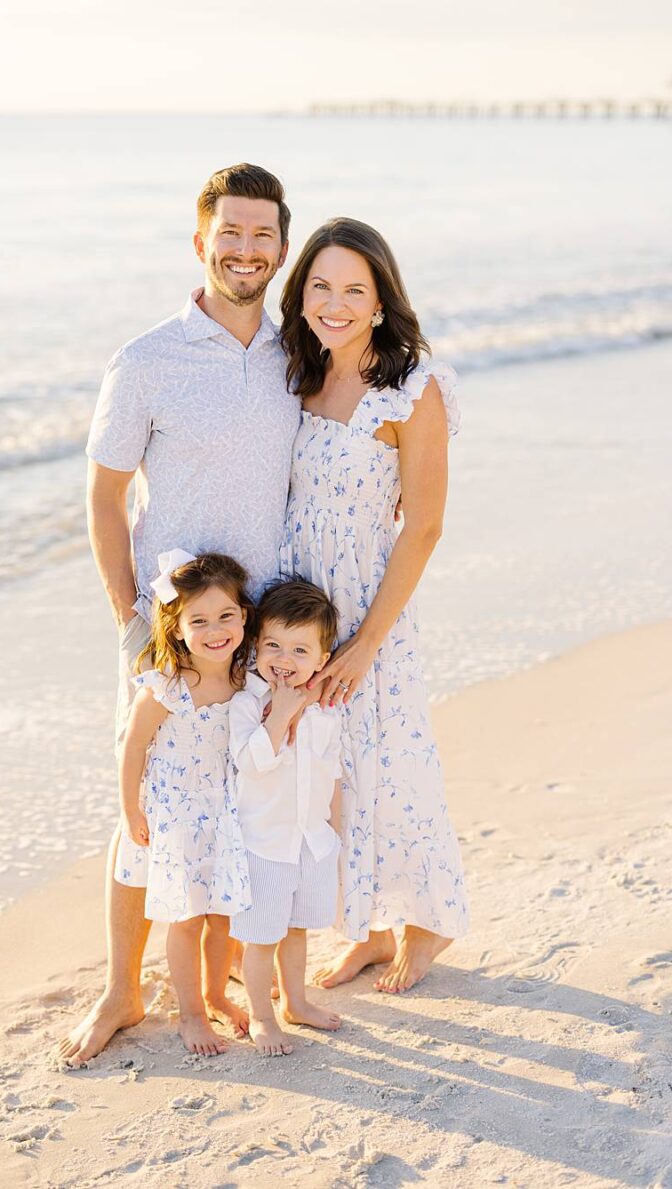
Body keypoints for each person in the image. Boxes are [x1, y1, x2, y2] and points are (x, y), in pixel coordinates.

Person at [61, 163, 301, 1064]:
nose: (246, 250)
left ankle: (216, 979)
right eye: (229, 233)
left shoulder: (295, 355)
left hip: (258, 634)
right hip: (169, 633)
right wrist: (130, 617)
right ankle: (123, 990)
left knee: (238, 807)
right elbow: (103, 496)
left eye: (262, 235)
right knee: (145, 817)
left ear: (281, 245)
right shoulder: (147, 358)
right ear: (200, 240)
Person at [278, 217, 468, 993]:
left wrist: (364, 643)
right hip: (301, 607)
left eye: (354, 288)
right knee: (333, 772)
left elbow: (423, 525)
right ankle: (369, 925)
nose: (335, 301)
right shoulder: (297, 373)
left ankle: (427, 925)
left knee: (393, 763)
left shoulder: (412, 389)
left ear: (382, 301)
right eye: (321, 284)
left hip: (369, 608)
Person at [106, 550, 253, 1057]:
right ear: (177, 625)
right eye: (200, 621)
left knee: (224, 916)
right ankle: (190, 1013)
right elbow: (132, 747)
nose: (216, 630)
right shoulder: (168, 685)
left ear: (244, 617)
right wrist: (131, 811)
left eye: (226, 616)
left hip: (226, 813)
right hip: (178, 818)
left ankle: (215, 995)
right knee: (187, 918)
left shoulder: (243, 676)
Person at [227, 579, 346, 1055]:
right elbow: (251, 764)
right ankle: (261, 1015)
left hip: (309, 841)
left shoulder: (327, 713)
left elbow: (331, 774)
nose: (284, 659)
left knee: (296, 929)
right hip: (264, 845)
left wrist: (332, 833)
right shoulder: (246, 706)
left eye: (300, 650)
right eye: (273, 645)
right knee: (261, 939)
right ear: (256, 646)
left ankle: (296, 1002)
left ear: (322, 659)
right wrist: (279, 716)